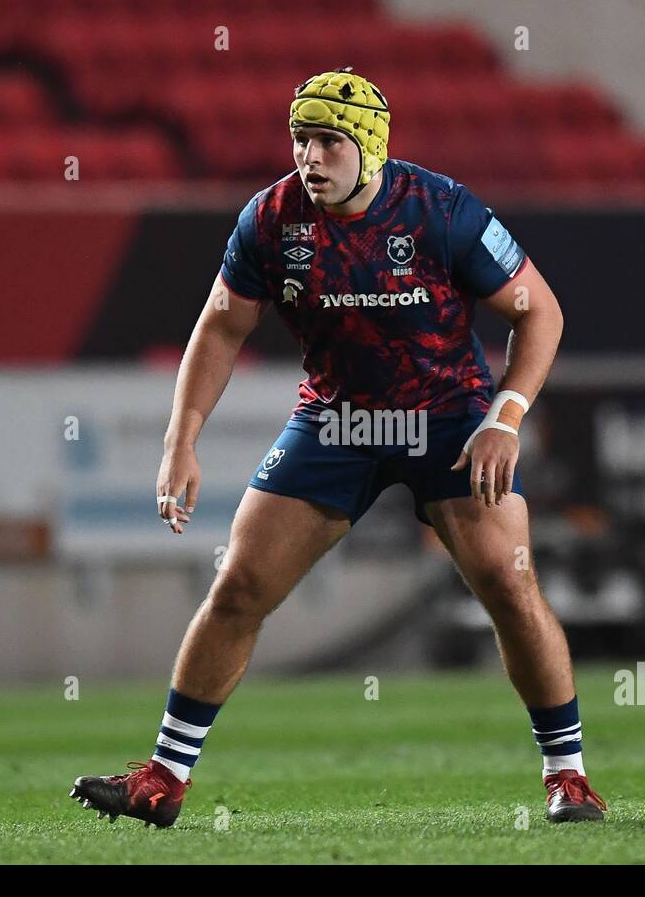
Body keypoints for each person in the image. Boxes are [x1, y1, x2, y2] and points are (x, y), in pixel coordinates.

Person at [70, 67, 607, 827]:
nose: (309, 157)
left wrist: (507, 416)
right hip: (338, 422)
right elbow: (222, 327)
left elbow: (540, 312)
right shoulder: (270, 220)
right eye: (300, 139)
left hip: (448, 419)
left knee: (508, 583)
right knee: (239, 585)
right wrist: (179, 439)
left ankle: (569, 776)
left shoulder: (441, 212)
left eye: (328, 141)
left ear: (371, 147)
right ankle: (164, 776)